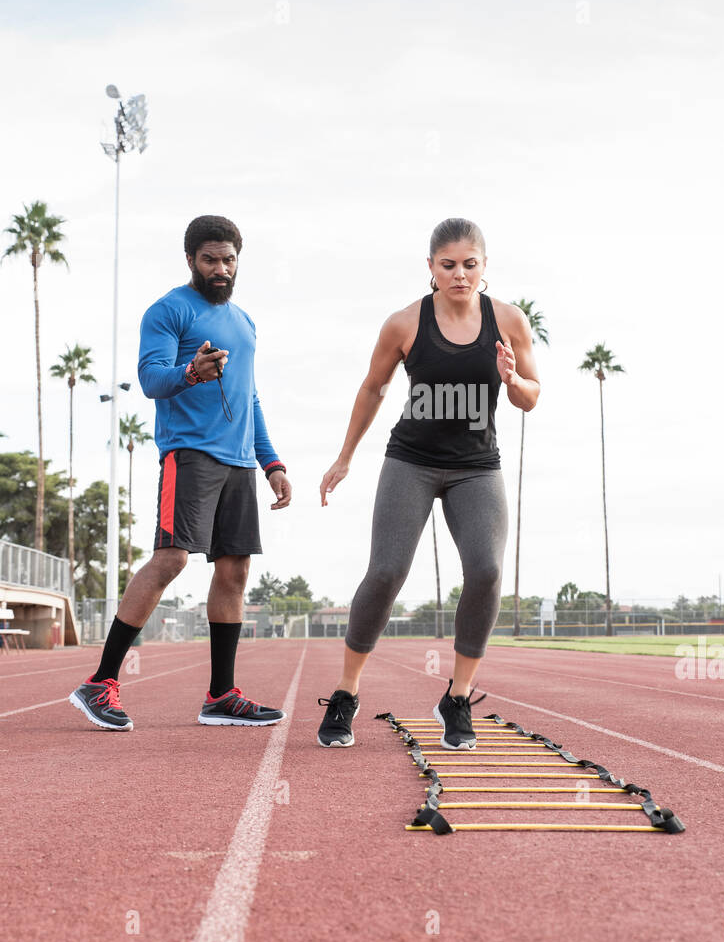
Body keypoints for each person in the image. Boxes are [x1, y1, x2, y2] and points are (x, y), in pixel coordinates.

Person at [317, 217, 540, 750]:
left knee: (486, 572)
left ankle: (457, 697)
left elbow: (531, 396)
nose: (459, 274)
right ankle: (346, 693)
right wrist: (344, 458)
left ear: (484, 267)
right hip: (411, 461)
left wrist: (511, 379)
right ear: (431, 268)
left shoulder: (508, 320)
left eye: (470, 264)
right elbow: (373, 389)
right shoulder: (404, 324)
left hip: (476, 466)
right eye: (448, 265)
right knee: (387, 571)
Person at [69, 215, 292, 732]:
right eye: (211, 259)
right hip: (188, 454)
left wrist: (272, 462)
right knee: (171, 559)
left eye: (229, 260)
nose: (221, 269)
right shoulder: (168, 310)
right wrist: (192, 371)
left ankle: (221, 695)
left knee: (234, 571)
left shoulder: (245, 322)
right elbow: (150, 380)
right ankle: (100, 682)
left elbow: (250, 397)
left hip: (239, 462)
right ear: (191, 259)